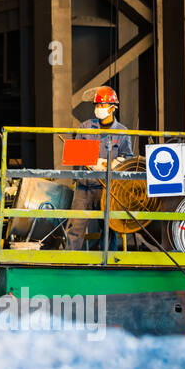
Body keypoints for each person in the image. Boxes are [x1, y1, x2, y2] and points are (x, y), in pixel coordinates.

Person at [64, 86, 134, 251]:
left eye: (101, 106)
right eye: (96, 105)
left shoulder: (122, 132)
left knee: (109, 228)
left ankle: (108, 263)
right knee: (76, 227)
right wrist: (78, 177)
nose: (98, 109)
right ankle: (70, 262)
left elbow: (128, 158)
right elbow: (75, 155)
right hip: (83, 187)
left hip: (107, 188)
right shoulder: (85, 127)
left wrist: (108, 164)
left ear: (112, 108)